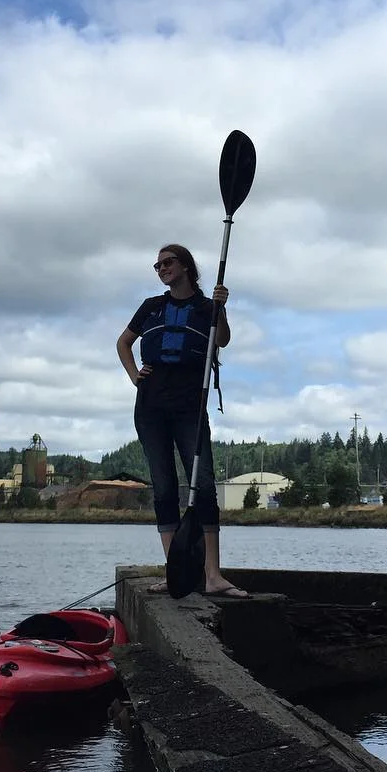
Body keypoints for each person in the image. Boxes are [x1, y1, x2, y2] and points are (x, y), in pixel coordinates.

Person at [116, 244, 249, 598]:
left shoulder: (208, 307)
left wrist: (221, 308)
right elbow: (123, 343)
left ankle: (211, 576)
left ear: (186, 266)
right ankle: (176, 572)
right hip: (151, 407)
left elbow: (221, 340)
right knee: (163, 487)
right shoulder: (151, 307)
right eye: (157, 265)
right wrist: (133, 376)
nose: (161, 268)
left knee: (203, 485)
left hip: (190, 405)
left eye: (168, 262)